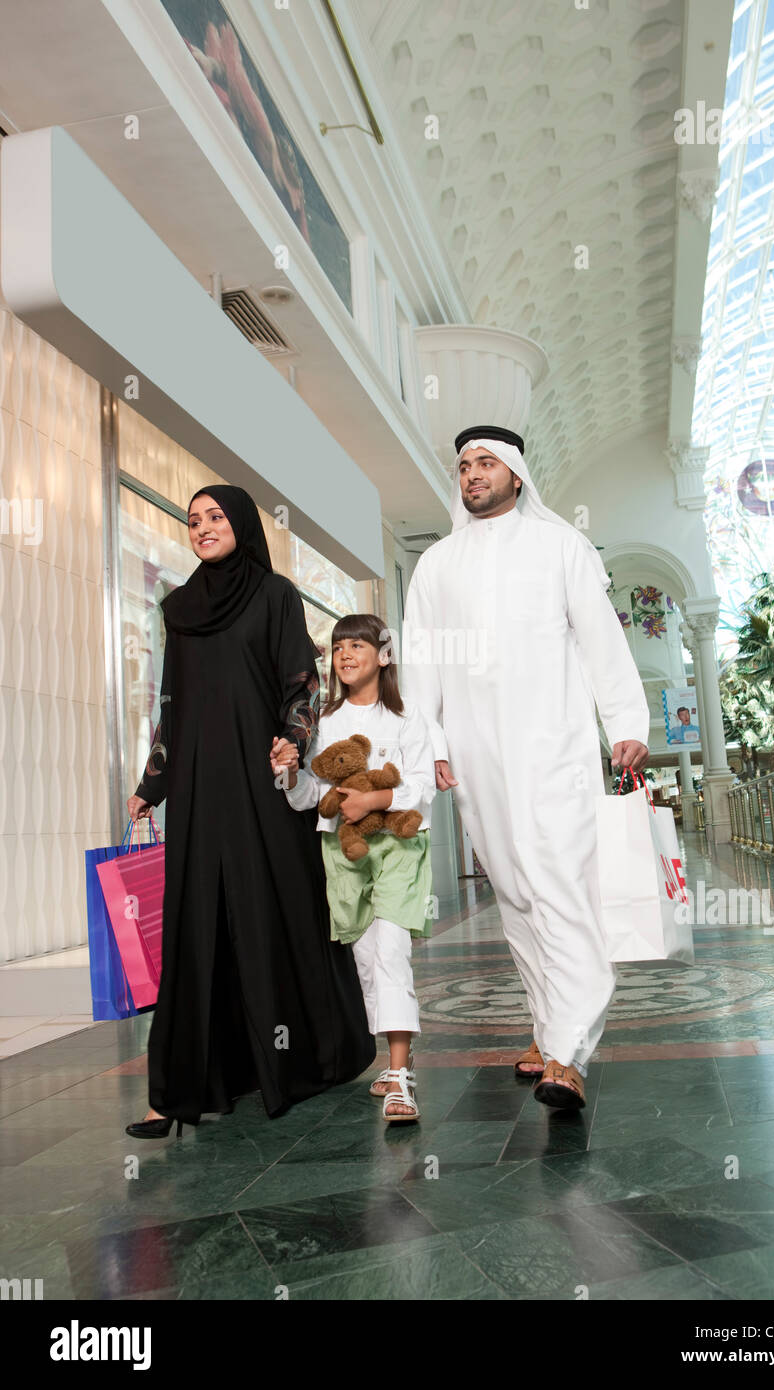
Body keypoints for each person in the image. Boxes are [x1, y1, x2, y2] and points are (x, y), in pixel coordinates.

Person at [402, 427, 650, 1110]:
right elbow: (420, 665)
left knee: (561, 886)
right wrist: (434, 745)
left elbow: (601, 639)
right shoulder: (437, 566)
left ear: (515, 474)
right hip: (479, 755)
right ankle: (548, 1029)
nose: (472, 474)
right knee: (514, 894)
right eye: (463, 466)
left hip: (554, 746)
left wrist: (625, 724)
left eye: (486, 463)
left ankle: (569, 1053)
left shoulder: (560, 546)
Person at [125, 486, 374, 1137]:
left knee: (272, 911)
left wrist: (293, 739)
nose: (202, 528)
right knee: (196, 923)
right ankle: (178, 1090)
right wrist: (152, 785)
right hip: (202, 792)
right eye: (193, 521)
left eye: (215, 518)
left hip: (264, 784)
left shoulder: (275, 595)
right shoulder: (179, 611)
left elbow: (303, 682)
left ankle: (297, 1060)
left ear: (239, 523)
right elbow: (171, 707)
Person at [281, 614, 434, 1124]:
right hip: (342, 854)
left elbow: (421, 786)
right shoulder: (324, 723)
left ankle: (400, 1079)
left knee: (391, 950)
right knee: (366, 959)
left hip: (396, 847)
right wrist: (286, 775)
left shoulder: (408, 716)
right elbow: (310, 797)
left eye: (357, 645)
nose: (345, 654)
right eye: (338, 646)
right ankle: (397, 1057)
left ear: (383, 655)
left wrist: (373, 797)